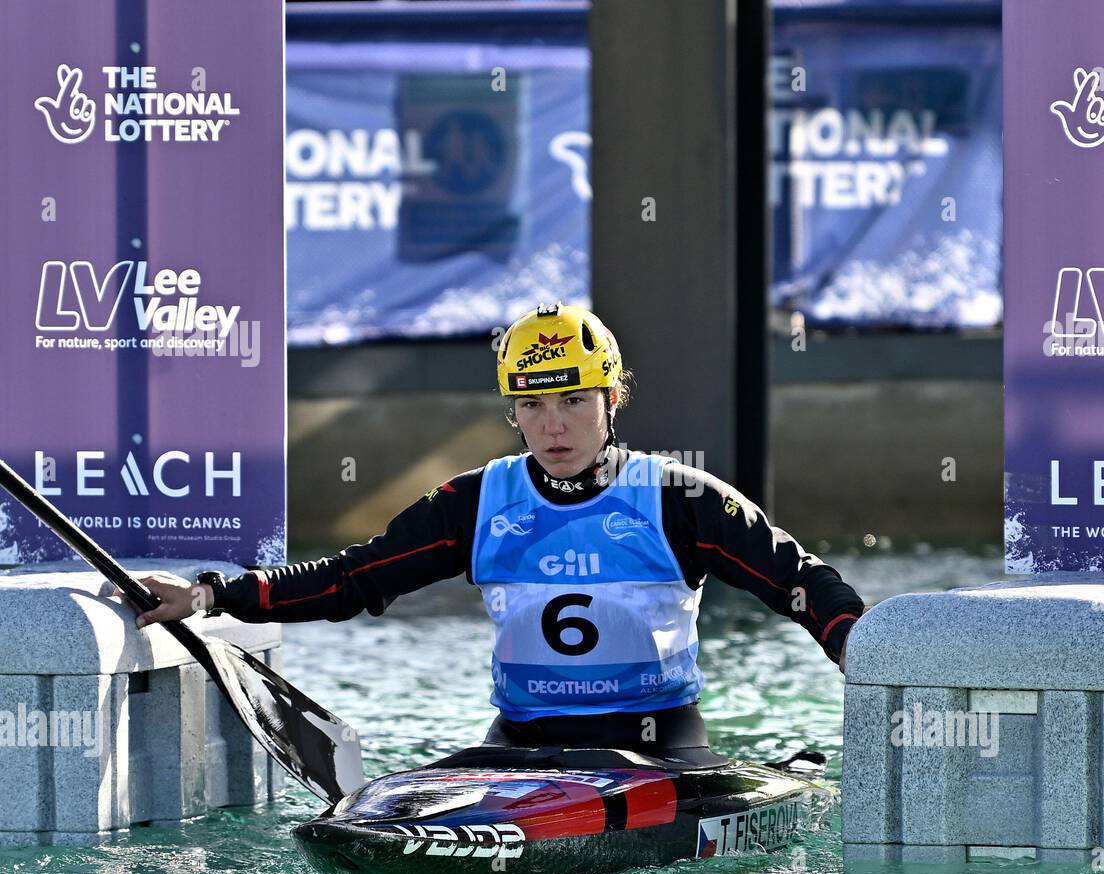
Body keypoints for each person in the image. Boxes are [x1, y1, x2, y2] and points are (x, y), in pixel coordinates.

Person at [124, 303, 865, 764]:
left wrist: (863, 653)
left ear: (612, 398)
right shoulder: (478, 501)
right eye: (532, 406)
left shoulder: (677, 499)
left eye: (574, 400)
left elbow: (798, 580)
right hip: (520, 742)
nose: (554, 426)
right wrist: (208, 594)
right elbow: (355, 579)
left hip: (656, 744)